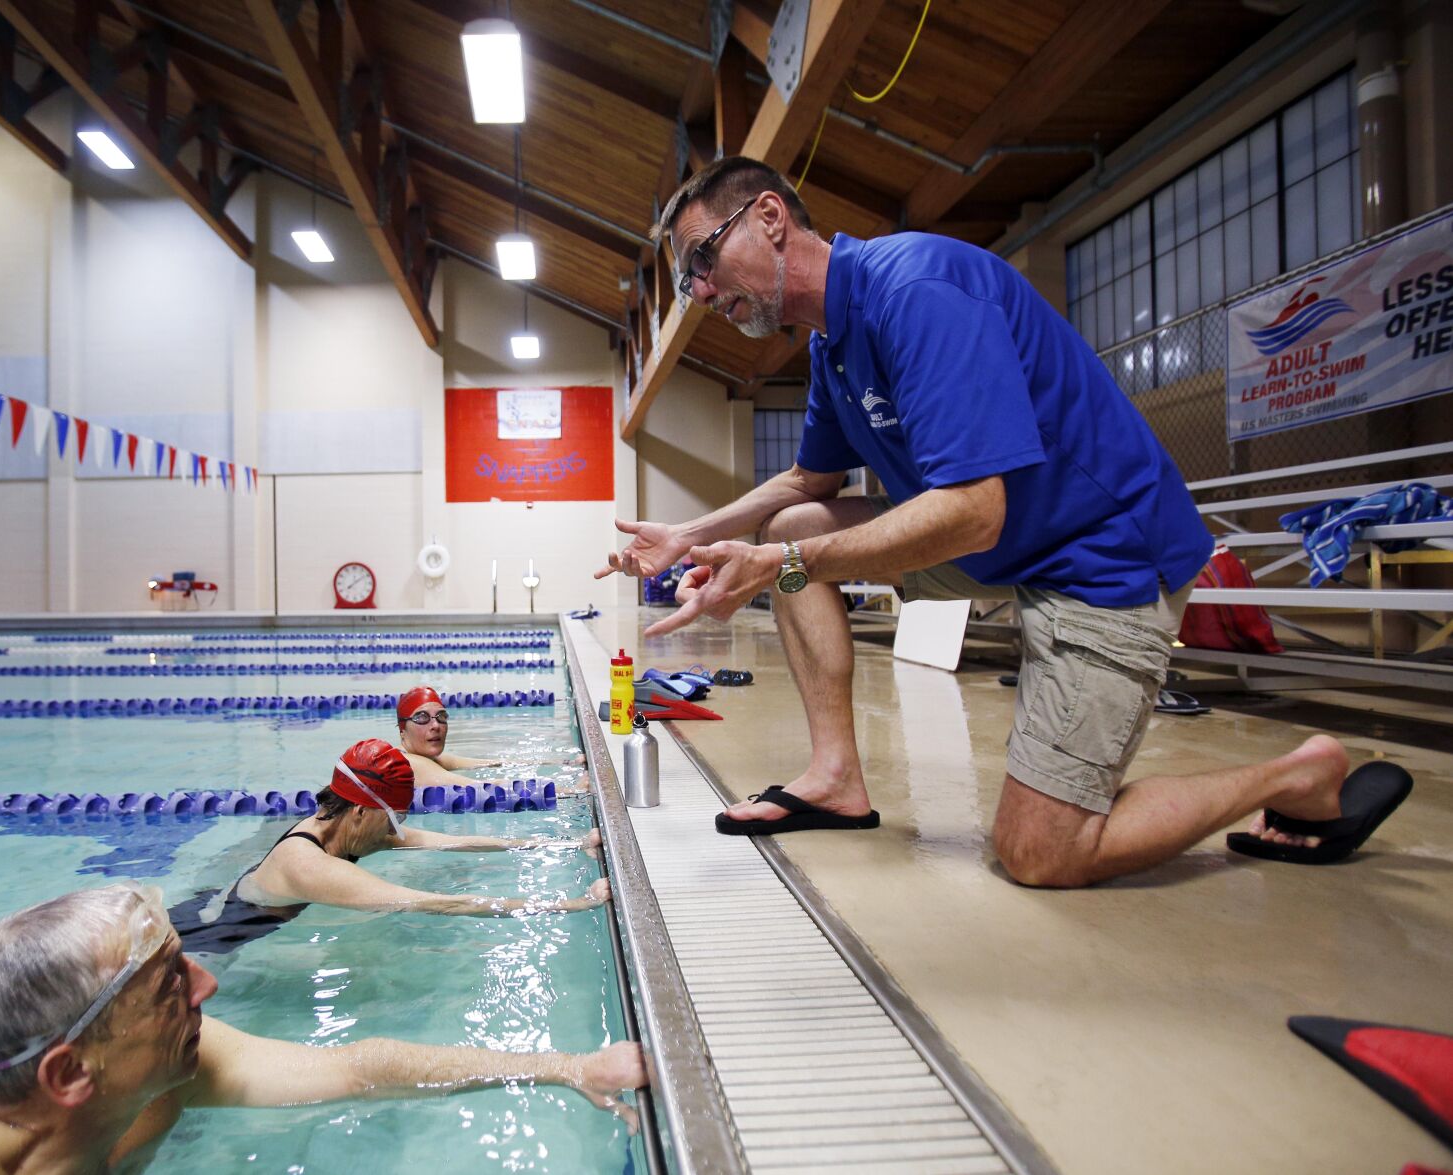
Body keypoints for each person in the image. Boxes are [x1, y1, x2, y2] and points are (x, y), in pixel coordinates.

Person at [598, 154, 1372, 889]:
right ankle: (834, 779)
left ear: (768, 216)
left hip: (1100, 559)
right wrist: (690, 535)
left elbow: (971, 513)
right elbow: (809, 478)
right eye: (685, 280)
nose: (698, 292)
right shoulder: (833, 346)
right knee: (793, 523)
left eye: (701, 259)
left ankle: (1296, 774)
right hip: (1009, 546)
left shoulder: (914, 289)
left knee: (1041, 850)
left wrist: (784, 563)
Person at [0, 883, 646, 1173]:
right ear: (69, 1073)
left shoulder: (148, 1077)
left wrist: (567, 1065)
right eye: (170, 983)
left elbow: (355, 1067)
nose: (205, 984)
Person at [166, 739, 606, 954]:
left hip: (221, 917)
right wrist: (572, 905)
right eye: (396, 815)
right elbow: (438, 904)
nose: (403, 825)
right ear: (360, 812)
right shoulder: (310, 865)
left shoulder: (345, 828)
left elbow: (454, 843)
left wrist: (564, 843)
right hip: (207, 939)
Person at [395, 685, 587, 794]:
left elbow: (490, 764)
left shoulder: (425, 757)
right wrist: (570, 791)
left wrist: (566, 762)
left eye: (441, 716)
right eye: (422, 718)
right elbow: (483, 788)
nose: (435, 725)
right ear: (402, 730)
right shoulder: (411, 764)